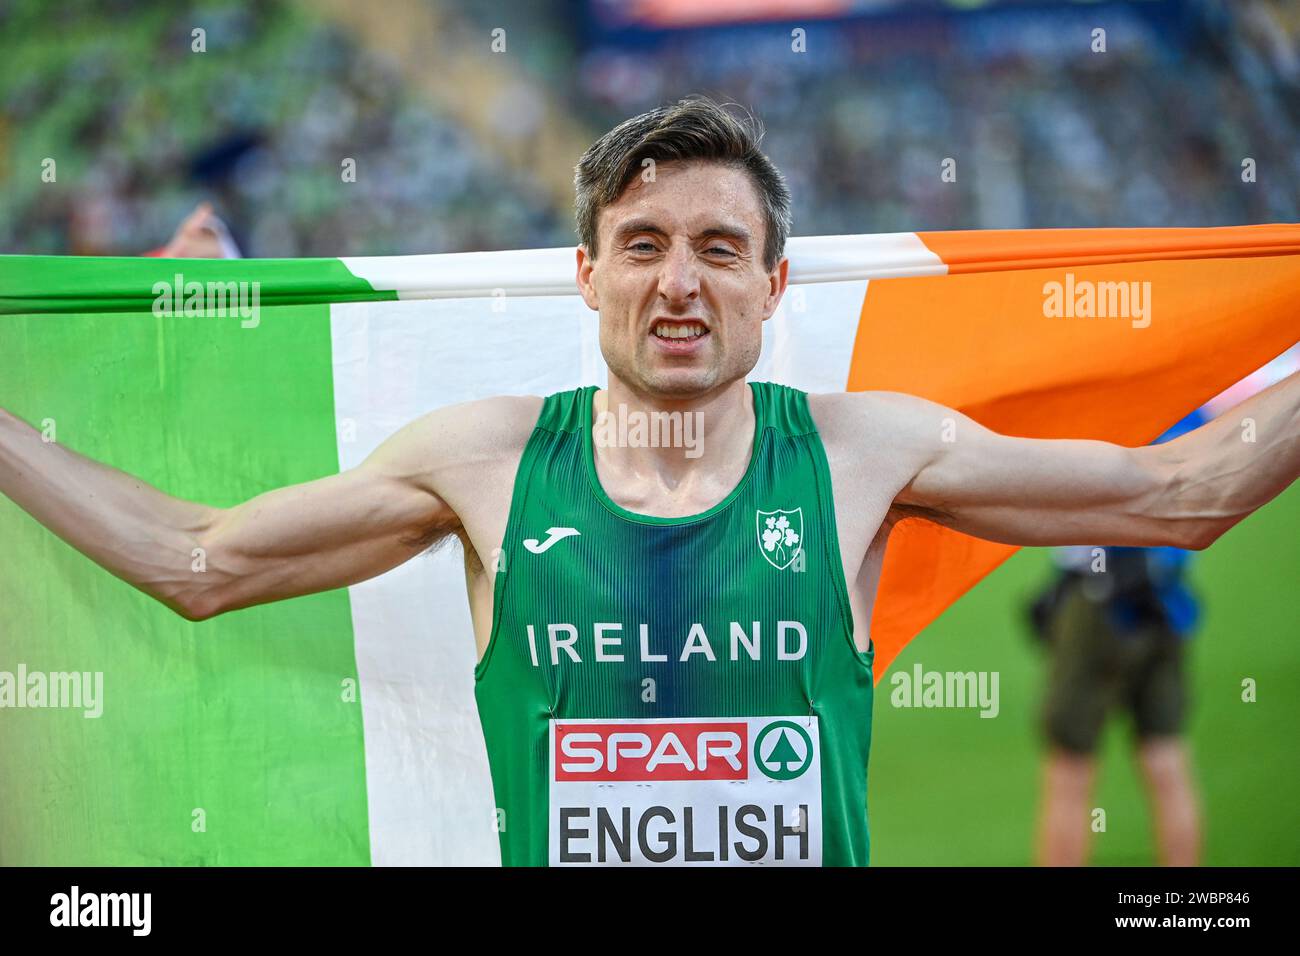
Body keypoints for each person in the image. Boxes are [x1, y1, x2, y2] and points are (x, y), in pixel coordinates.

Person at [2, 96, 1298, 866]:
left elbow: (1184, 491)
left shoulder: (864, 451)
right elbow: (198, 559)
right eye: (643, 245)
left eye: (720, 248)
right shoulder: (490, 460)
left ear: (773, 286)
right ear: (588, 273)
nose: (680, 279)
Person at [1029, 410, 1207, 867]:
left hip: (1102, 601)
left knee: (1070, 769)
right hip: (1168, 601)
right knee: (1166, 758)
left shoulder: (1116, 404)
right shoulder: (1190, 404)